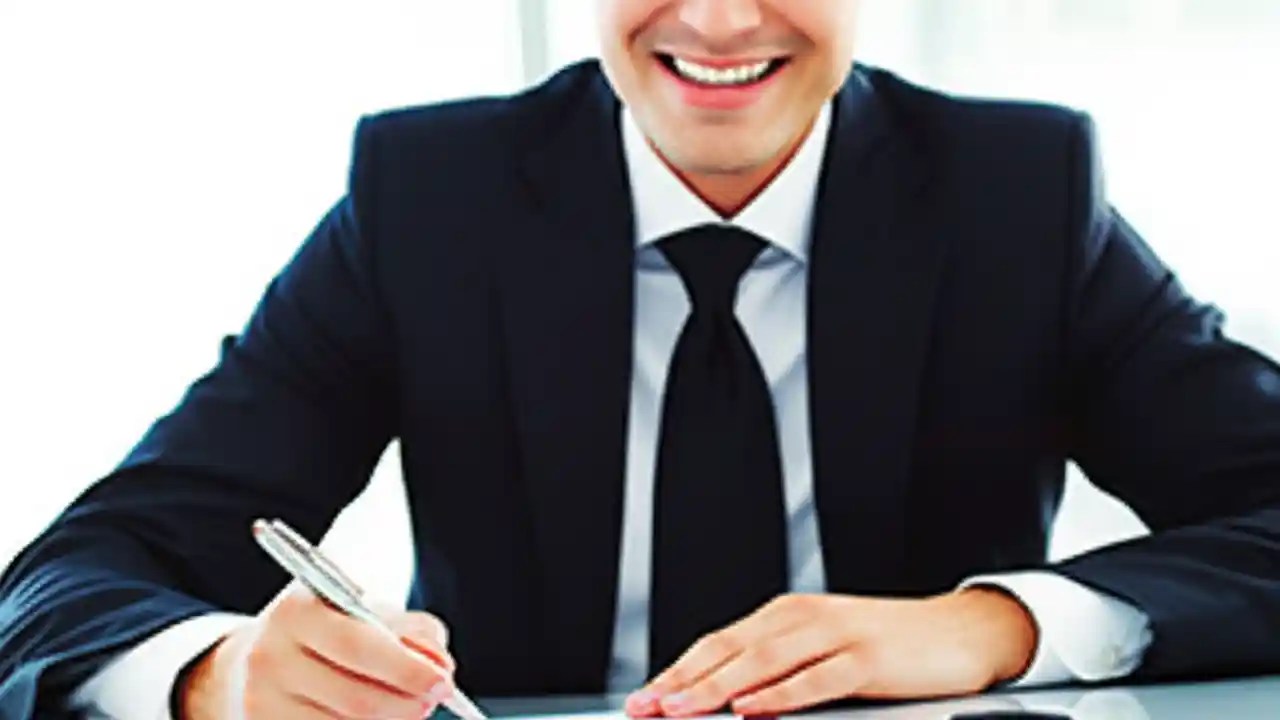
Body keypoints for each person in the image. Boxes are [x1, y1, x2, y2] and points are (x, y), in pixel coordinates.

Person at [3, 0, 1280, 718]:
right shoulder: (426, 197)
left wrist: (989, 627)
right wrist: (221, 680)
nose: (719, 18)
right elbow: (72, 581)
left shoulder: (1016, 191)